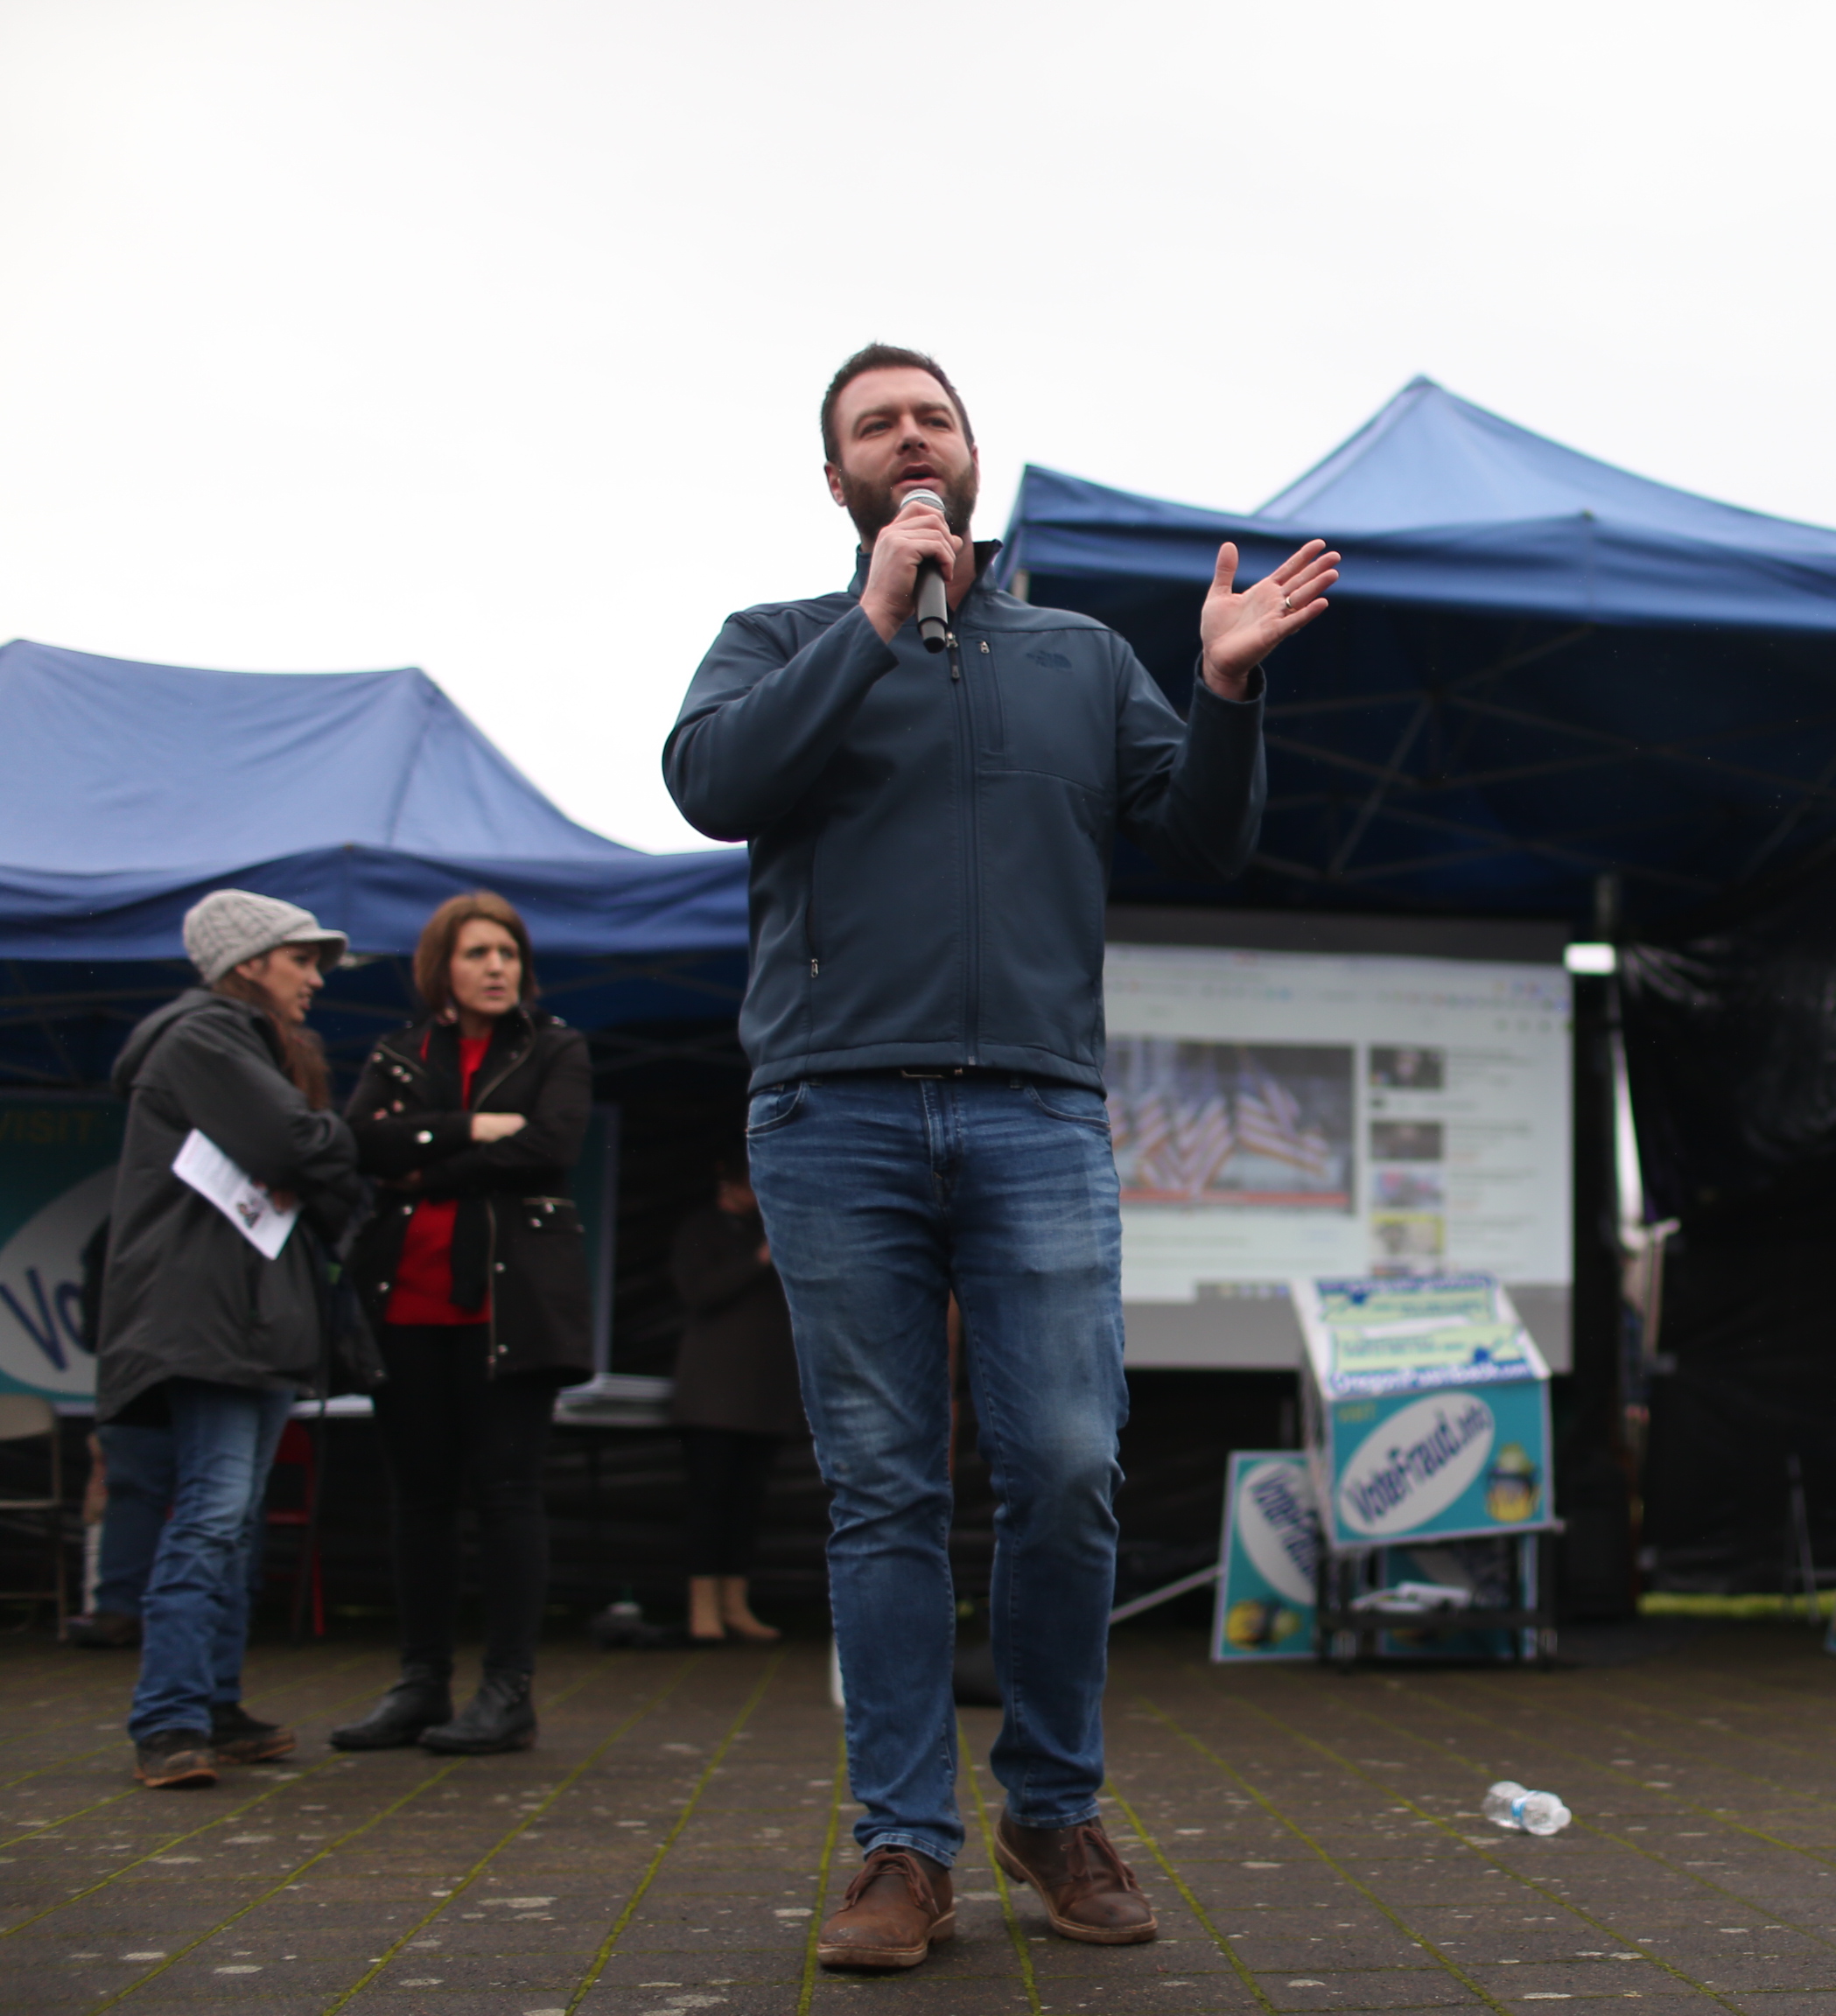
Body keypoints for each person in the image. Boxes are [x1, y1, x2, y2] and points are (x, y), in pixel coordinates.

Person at [662, 343, 1336, 1965]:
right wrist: (872, 623)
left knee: (1064, 1463)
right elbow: (712, 783)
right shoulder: (779, 641)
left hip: (1033, 1109)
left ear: (975, 459)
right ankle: (901, 1846)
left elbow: (1209, 834)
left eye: (934, 416)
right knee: (883, 1484)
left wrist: (1230, 686)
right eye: (876, 426)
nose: (911, 438)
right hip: (833, 1110)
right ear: (840, 483)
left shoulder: (1084, 659)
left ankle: (1050, 1800)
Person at [97, 890, 365, 1788]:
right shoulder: (202, 1036)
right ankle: (167, 1719)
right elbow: (299, 1144)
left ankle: (213, 1704)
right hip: (208, 1319)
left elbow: (307, 1166)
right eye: (302, 958)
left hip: (250, 1319)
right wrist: (331, 1139)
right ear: (249, 963)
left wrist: (318, 1156)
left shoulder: (235, 1044)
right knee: (211, 1516)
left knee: (234, 1522)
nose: (317, 977)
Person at [332, 892, 595, 1754]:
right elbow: (356, 1143)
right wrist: (472, 1129)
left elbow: (549, 1146)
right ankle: (420, 1683)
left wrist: (427, 1159)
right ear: (440, 965)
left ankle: (507, 1690)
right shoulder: (399, 1052)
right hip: (404, 1302)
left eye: (508, 953)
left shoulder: (555, 1046)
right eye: (478, 953)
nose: (495, 968)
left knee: (508, 1493)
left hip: (508, 1309)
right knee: (420, 1498)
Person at [669, 1152, 809, 1643]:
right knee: (710, 1501)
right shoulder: (701, 1228)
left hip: (765, 1397)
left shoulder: (772, 1228)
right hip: (712, 1399)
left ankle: (735, 1602)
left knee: (747, 1505)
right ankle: (701, 1607)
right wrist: (756, 1260)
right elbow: (698, 1292)